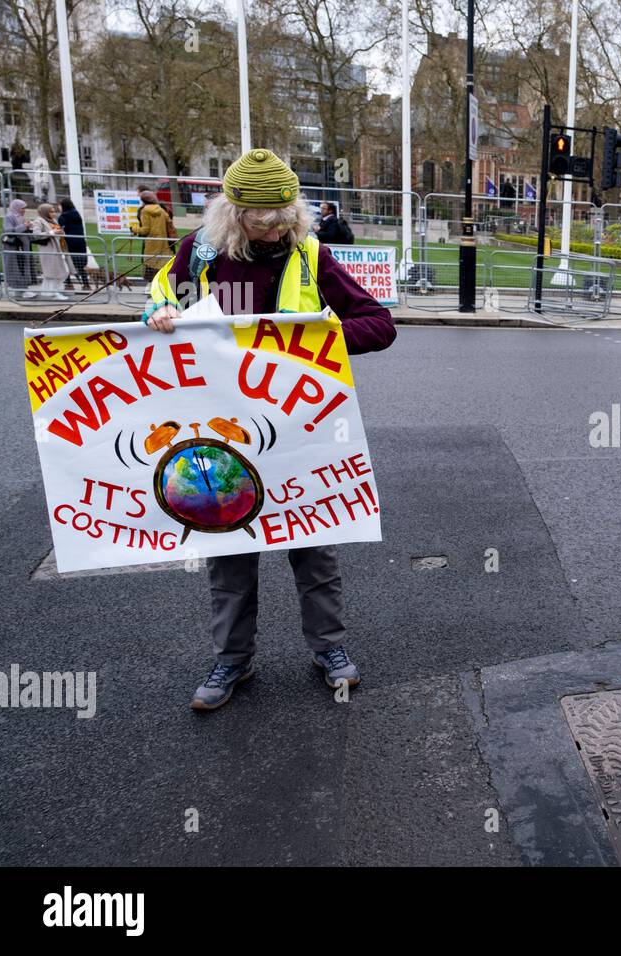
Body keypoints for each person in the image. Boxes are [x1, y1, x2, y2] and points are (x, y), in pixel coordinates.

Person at [143, 148, 397, 711]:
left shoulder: (310, 256)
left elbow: (378, 325)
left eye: (283, 213)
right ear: (233, 212)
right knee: (229, 549)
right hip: (217, 431)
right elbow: (164, 304)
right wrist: (159, 315)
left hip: (296, 433)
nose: (274, 226)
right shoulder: (201, 257)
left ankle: (329, 648)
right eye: (261, 216)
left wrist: (315, 340)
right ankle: (231, 661)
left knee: (314, 550)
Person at [130, 187, 173, 282]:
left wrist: (133, 229)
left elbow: (145, 230)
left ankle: (151, 287)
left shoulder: (144, 211)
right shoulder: (161, 210)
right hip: (163, 242)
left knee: (150, 265)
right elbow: (169, 222)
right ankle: (162, 286)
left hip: (151, 243)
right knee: (163, 265)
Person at [29, 203, 70, 300]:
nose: (54, 213)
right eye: (51, 212)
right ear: (45, 212)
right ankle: (53, 292)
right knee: (53, 272)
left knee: (62, 271)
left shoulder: (53, 220)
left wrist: (60, 232)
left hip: (58, 248)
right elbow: (36, 235)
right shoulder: (38, 221)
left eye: (54, 211)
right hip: (48, 249)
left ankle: (49, 291)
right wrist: (52, 232)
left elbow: (57, 231)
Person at [0, 199, 38, 296]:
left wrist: (28, 227)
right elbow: (8, 231)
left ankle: (23, 289)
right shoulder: (9, 217)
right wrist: (24, 226)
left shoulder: (21, 217)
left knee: (23, 267)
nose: (24, 210)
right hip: (14, 248)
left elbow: (22, 229)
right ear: (16, 208)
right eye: (22, 208)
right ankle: (20, 291)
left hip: (22, 247)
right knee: (17, 268)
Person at [57, 197, 90, 291]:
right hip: (80, 242)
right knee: (81, 264)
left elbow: (62, 229)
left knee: (66, 262)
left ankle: (69, 283)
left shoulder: (63, 217)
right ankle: (86, 284)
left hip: (69, 242)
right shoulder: (76, 214)